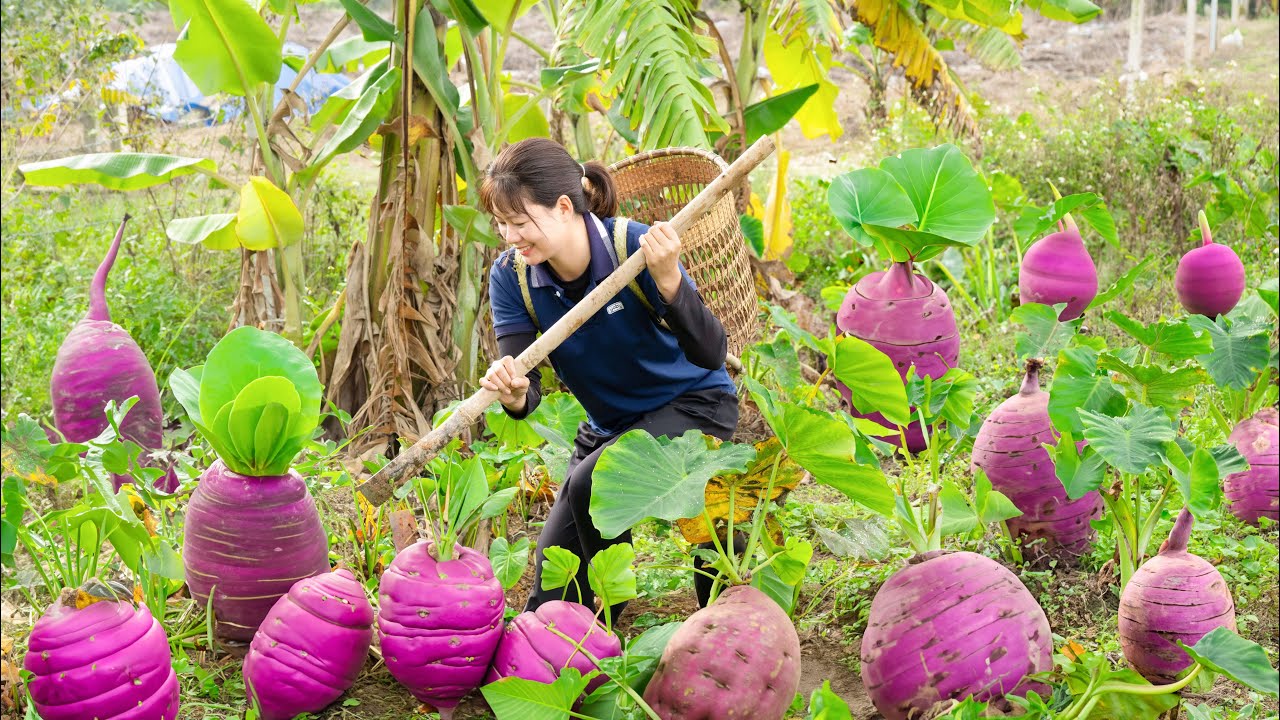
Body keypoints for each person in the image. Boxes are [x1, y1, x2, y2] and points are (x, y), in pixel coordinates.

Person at [478, 138, 739, 621]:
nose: (510, 237)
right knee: (553, 579)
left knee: (594, 484)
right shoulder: (512, 278)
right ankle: (572, 645)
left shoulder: (635, 247)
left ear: (562, 207)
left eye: (519, 223)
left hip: (695, 405)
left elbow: (711, 351)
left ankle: (714, 619)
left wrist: (669, 282)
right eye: (502, 224)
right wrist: (514, 393)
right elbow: (526, 387)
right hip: (612, 427)